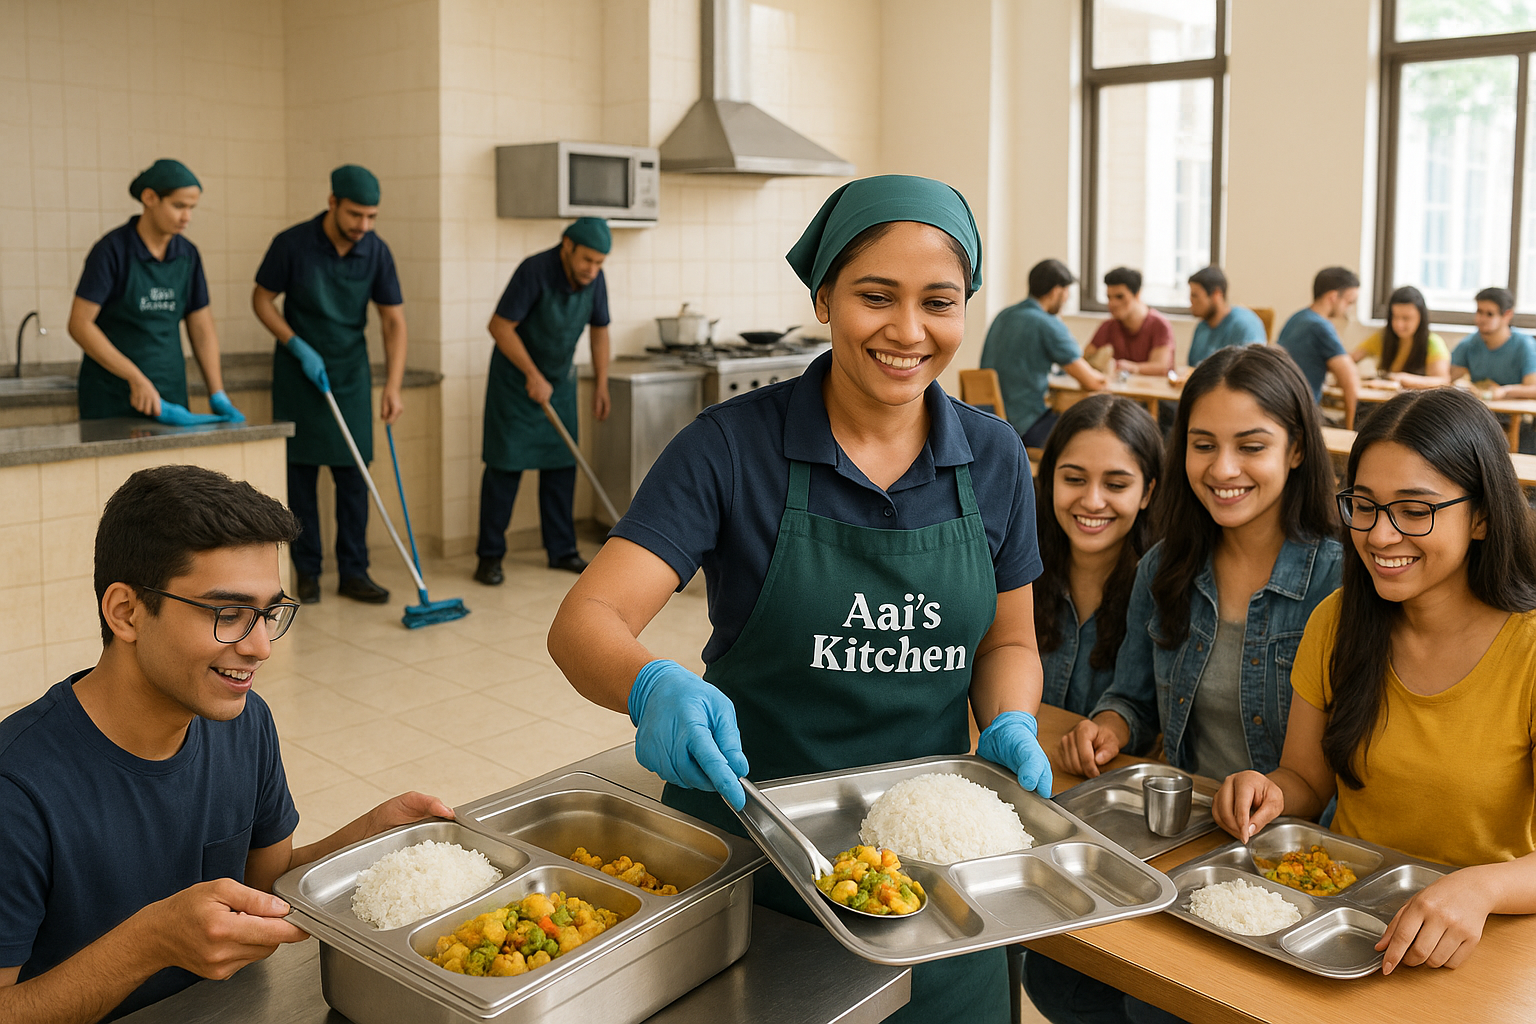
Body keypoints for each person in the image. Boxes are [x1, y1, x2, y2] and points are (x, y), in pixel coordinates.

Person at [548, 175, 1053, 1024]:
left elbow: (1008, 643)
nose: (907, 330)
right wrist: (651, 685)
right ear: (823, 298)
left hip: (931, 878)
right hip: (751, 871)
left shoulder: (996, 459)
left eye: (939, 301)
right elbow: (585, 622)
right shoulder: (731, 448)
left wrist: (1010, 719)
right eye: (875, 296)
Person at [0, 465, 451, 1023]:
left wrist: (368, 844)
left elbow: (265, 884)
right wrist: (150, 943)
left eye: (268, 614)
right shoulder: (17, 790)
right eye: (228, 615)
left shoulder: (244, 723)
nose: (261, 647)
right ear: (127, 612)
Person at [1027, 345, 1343, 1024]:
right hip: (1188, 836)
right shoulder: (1166, 566)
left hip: (1302, 848)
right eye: (1203, 445)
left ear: (1294, 452)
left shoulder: (1339, 579)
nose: (1223, 469)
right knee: (1055, 973)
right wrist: (1110, 725)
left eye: (1250, 446)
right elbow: (1135, 699)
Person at [1215, 387, 1536, 976]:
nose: (1381, 536)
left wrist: (1479, 889)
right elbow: (1308, 779)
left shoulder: (1529, 646)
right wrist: (1272, 791)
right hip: (1349, 924)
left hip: (1488, 941)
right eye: (1364, 505)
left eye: (1416, 510)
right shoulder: (1336, 621)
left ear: (1483, 516)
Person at [252, 164, 407, 606]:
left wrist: (392, 385)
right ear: (333, 202)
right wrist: (295, 343)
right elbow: (261, 300)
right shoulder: (292, 244)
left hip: (351, 374)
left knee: (354, 479)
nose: (364, 225)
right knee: (300, 480)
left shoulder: (376, 251)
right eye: (356, 214)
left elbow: (393, 321)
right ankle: (310, 574)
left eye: (372, 217)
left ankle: (354, 572)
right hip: (300, 373)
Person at [474, 218, 614, 584]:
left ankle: (562, 550)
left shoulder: (595, 280)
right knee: (505, 470)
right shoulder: (534, 270)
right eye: (587, 260)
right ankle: (489, 556)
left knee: (561, 469)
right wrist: (532, 375)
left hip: (560, 383)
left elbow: (600, 332)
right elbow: (499, 327)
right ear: (566, 245)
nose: (592, 270)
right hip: (516, 385)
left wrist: (601, 384)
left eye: (599, 263)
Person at [68, 160, 243, 426]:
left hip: (170, 395)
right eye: (178, 206)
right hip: (112, 398)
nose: (187, 217)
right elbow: (80, 325)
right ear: (150, 198)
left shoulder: (187, 255)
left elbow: (201, 327)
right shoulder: (111, 251)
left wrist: (217, 392)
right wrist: (134, 378)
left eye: (192, 208)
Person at [1033, 394, 1162, 716]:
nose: (1092, 501)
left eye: (1116, 485)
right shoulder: (1012, 573)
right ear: (1049, 482)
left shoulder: (1163, 587)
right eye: (1074, 480)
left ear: (1147, 492)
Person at [981, 258, 1106, 446]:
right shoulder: (1047, 323)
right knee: (1094, 432)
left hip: (986, 422)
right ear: (1057, 291)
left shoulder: (1003, 315)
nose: (1066, 300)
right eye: (1066, 295)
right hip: (1024, 427)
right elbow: (1092, 382)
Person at [1276, 266, 1361, 429]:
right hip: (1303, 415)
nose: (1348, 310)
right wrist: (1351, 430)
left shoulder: (1296, 318)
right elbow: (1351, 380)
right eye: (1349, 302)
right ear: (1333, 297)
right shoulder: (1320, 327)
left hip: (1282, 409)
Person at [1350, 285, 1450, 389]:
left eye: (1406, 318)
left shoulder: (1433, 343)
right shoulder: (1382, 337)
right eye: (1395, 317)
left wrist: (1402, 378)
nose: (1399, 324)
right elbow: (1349, 359)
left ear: (1421, 317)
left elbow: (1443, 381)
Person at [1450, 286, 1536, 399]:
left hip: (1513, 413)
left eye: (1490, 314)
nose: (1481, 319)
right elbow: (1450, 380)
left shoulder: (1525, 345)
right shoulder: (1468, 344)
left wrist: (1505, 391)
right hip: (1480, 411)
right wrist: (1461, 385)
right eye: (1479, 312)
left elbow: (1533, 388)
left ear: (1507, 315)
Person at [1085, 267, 1174, 376]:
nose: (1112, 303)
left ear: (1137, 294)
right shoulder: (1109, 326)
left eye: (1119, 297)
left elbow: (1161, 367)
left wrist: (1132, 367)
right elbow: (1084, 358)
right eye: (1109, 297)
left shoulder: (1159, 325)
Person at [1186, 265, 1267, 367]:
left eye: (1195, 296)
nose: (1190, 301)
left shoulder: (1244, 325)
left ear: (1216, 294)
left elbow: (1253, 372)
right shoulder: (1202, 327)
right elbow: (1192, 368)